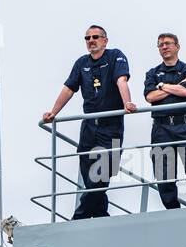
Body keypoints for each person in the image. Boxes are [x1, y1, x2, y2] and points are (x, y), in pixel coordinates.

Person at [41, 26, 137, 219]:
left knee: (101, 176)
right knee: (89, 178)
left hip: (111, 127)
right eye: (87, 38)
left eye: (95, 37)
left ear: (105, 40)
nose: (91, 40)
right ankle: (101, 216)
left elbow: (121, 81)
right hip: (89, 128)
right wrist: (53, 112)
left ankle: (79, 218)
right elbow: (69, 88)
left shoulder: (115, 56)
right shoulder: (81, 63)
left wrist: (127, 102)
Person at [143, 32, 186, 208]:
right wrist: (177, 86)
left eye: (167, 43)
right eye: (160, 45)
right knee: (164, 174)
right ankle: (172, 211)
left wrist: (162, 86)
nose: (164, 47)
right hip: (161, 128)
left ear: (177, 46)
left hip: (185, 125)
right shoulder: (152, 73)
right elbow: (150, 97)